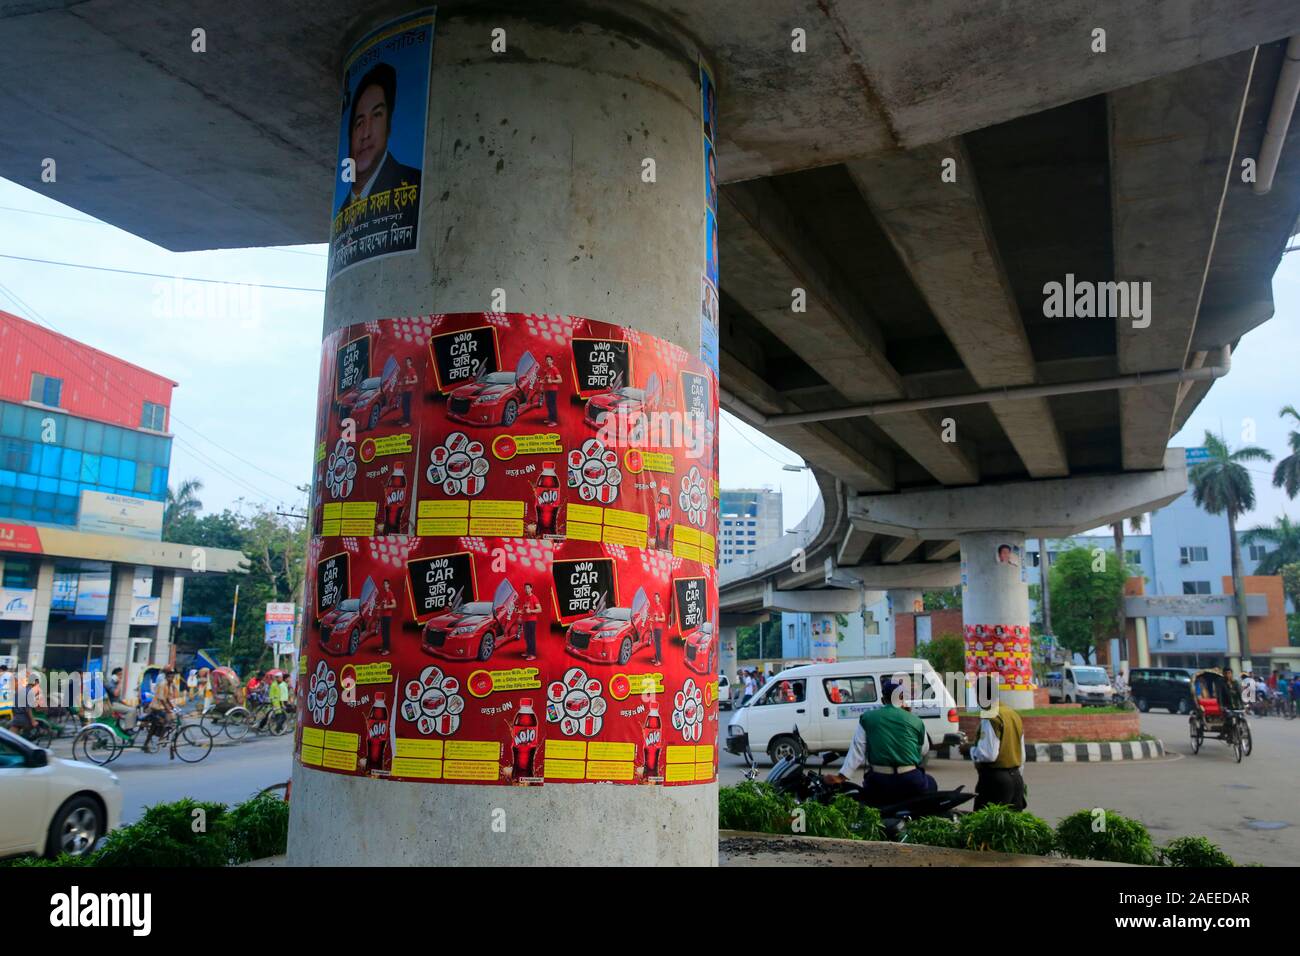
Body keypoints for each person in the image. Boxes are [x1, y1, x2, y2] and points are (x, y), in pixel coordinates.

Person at [826, 678, 937, 807]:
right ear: (902, 698)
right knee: (931, 782)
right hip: (911, 781)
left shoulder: (868, 718)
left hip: (879, 783)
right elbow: (924, 750)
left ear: (883, 699)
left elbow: (857, 752)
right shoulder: (916, 721)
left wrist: (841, 777)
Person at [340, 63, 422, 213]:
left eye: (377, 115)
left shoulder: (416, 185)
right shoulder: (342, 213)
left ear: (388, 125)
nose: (366, 134)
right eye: (359, 122)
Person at [966, 698, 1027, 810]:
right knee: (1011, 825)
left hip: (995, 781)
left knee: (986, 824)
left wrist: (969, 750)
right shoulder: (1013, 714)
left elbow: (988, 755)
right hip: (1016, 778)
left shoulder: (991, 716)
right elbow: (1022, 754)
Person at [520, 583, 541, 662]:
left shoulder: (534, 597)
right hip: (526, 620)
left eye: (528, 588)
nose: (526, 589)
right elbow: (525, 609)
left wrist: (531, 611)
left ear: (531, 589)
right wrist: (521, 611)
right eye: (525, 588)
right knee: (526, 637)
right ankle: (528, 651)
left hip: (532, 620)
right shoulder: (526, 598)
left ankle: (532, 654)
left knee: (531, 637)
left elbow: (539, 609)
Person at [398, 356, 419, 427]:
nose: (406, 363)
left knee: (406, 406)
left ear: (410, 362)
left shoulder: (412, 370)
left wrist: (409, 382)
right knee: (403, 406)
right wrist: (401, 384)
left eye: (408, 362)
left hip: (408, 391)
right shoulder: (406, 370)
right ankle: (404, 419)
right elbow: (405, 381)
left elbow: (416, 380)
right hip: (404, 391)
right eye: (405, 361)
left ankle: (407, 422)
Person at [542, 355, 563, 426]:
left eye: (549, 360)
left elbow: (560, 380)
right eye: (547, 360)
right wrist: (542, 382)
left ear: (552, 361)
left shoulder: (555, 369)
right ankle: (550, 419)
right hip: (547, 390)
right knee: (548, 405)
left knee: (552, 405)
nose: (548, 361)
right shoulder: (546, 369)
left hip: (553, 390)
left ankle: (554, 421)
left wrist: (552, 381)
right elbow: (547, 380)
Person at [379, 579, 397, 656]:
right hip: (383, 616)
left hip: (387, 616)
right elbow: (383, 605)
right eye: (384, 584)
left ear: (388, 585)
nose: (385, 585)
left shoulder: (390, 593)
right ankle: (383, 647)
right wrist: (379, 607)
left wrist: (387, 606)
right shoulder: (384, 594)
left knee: (386, 633)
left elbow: (395, 605)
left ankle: (387, 649)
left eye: (386, 584)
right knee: (383, 632)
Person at [650, 593, 667, 667]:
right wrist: (651, 619)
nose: (656, 599)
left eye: (657, 597)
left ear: (659, 598)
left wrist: (658, 619)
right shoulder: (655, 607)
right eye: (655, 597)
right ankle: (656, 658)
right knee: (655, 644)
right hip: (654, 628)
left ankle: (659, 661)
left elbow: (664, 618)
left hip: (658, 629)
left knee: (658, 645)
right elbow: (655, 618)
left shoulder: (660, 607)